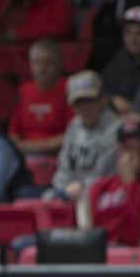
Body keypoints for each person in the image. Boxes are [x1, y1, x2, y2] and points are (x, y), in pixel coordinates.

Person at [81, 120, 140, 248]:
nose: (135, 155)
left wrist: (130, 184)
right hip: (105, 252)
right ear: (119, 151)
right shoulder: (102, 186)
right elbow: (90, 231)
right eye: (128, 149)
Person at [48, 72, 122, 203]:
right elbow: (63, 168)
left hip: (104, 195)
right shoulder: (74, 125)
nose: (84, 108)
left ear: (103, 100)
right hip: (71, 191)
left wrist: (76, 190)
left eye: (89, 101)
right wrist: (63, 190)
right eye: (78, 102)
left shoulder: (116, 128)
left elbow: (103, 174)